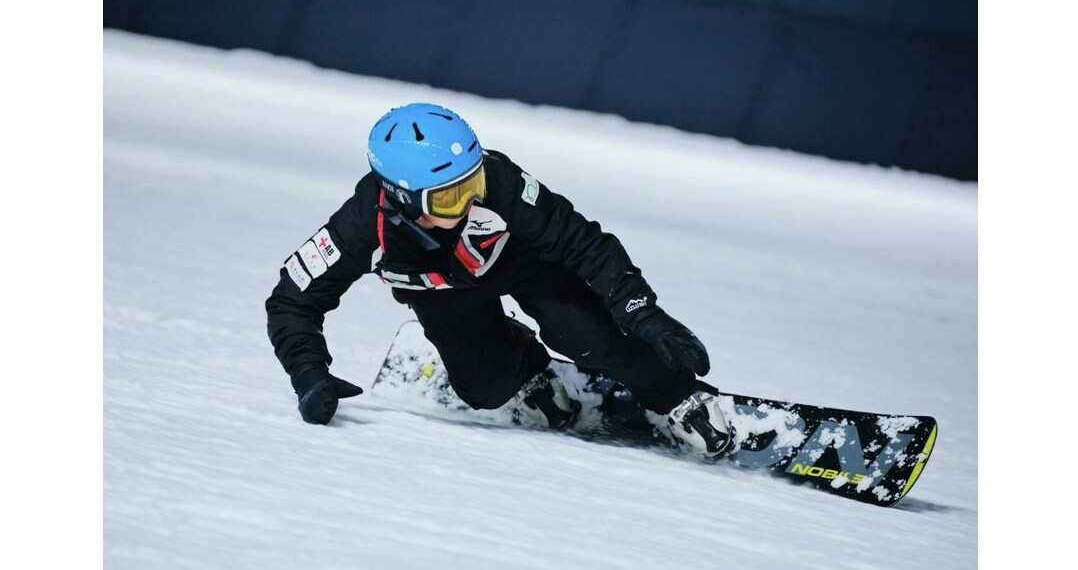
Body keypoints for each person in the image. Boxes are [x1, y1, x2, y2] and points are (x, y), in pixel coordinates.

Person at [265, 102, 734, 458]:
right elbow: (291, 300)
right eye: (450, 197)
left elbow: (583, 241)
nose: (470, 201)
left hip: (525, 264)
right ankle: (525, 363)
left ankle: (676, 394)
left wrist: (639, 310)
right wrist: (307, 372)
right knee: (484, 390)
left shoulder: (501, 181)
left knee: (590, 339)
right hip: (445, 299)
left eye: (473, 184)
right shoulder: (360, 229)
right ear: (403, 197)